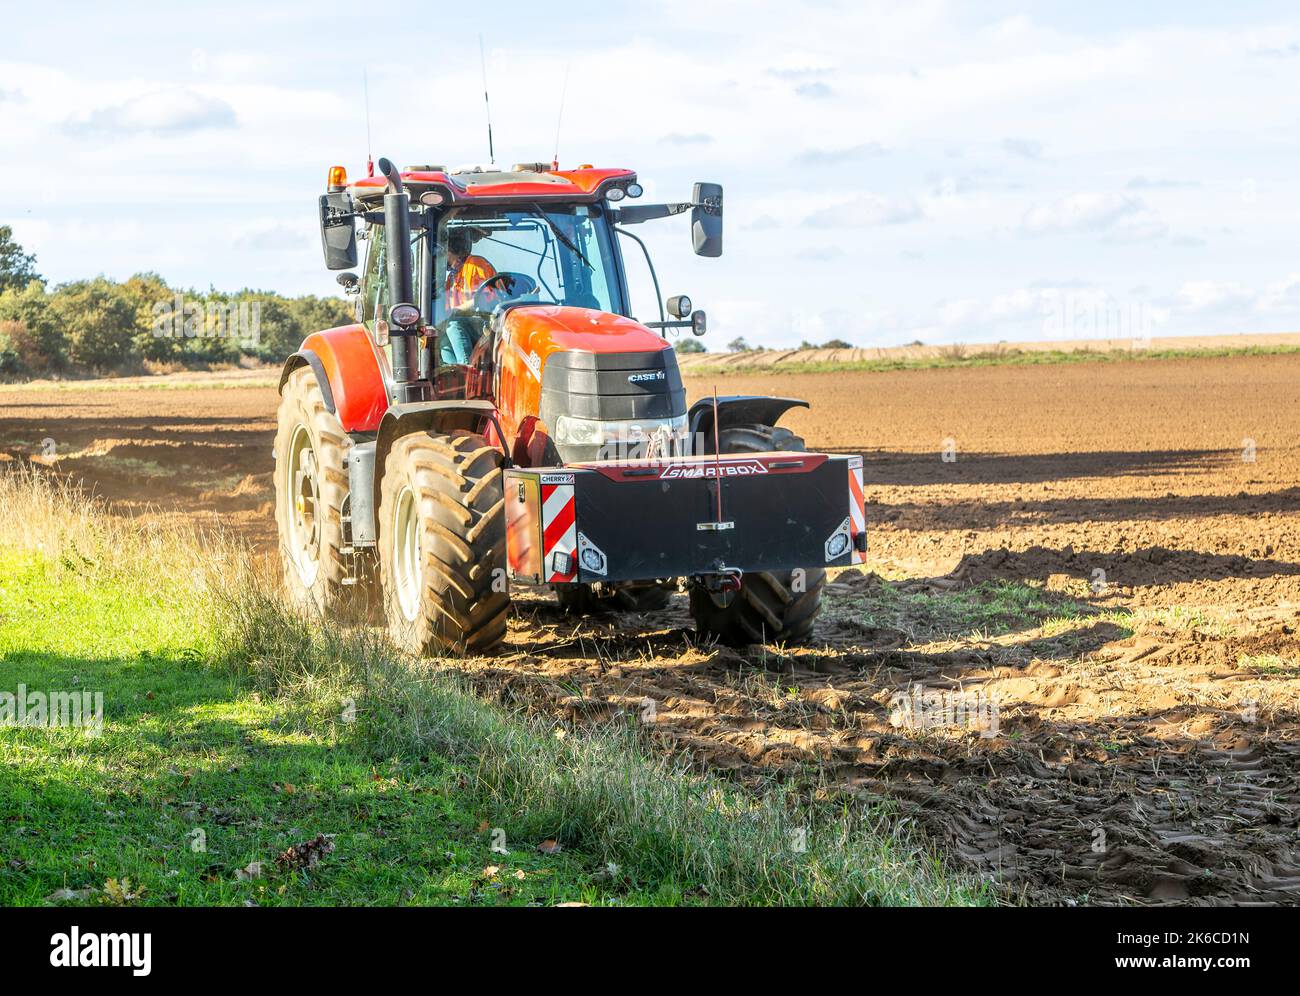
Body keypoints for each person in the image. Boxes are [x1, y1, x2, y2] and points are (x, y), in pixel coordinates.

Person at [440, 228, 496, 365]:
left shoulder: (475, 265)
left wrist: (456, 311)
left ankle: (466, 370)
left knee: (453, 325)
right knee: (443, 340)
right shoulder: (452, 278)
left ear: (448, 251)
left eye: (442, 252)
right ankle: (454, 373)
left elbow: (484, 301)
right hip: (467, 324)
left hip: (487, 322)